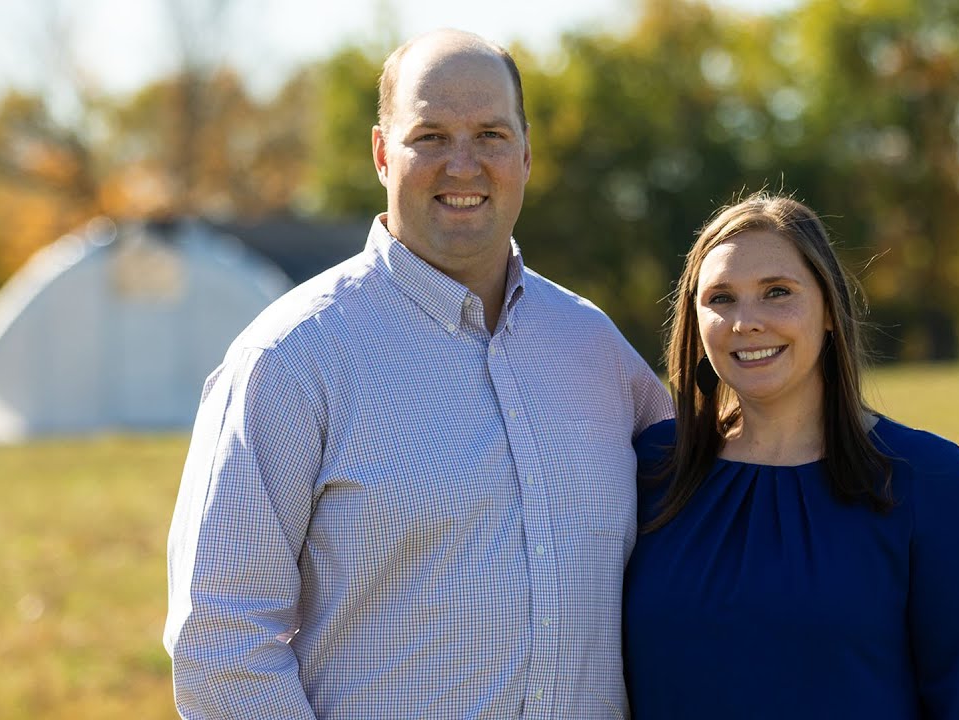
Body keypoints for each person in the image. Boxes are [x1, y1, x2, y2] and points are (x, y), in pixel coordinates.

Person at [164, 29, 672, 719]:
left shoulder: (596, 350)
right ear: (382, 153)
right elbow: (221, 645)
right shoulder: (290, 359)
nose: (463, 165)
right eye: (430, 136)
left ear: (526, 153)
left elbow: (718, 501)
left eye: (490, 135)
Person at [622, 193, 959, 719]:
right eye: (721, 298)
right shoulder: (652, 466)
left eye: (777, 292)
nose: (746, 322)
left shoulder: (926, 479)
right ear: (695, 319)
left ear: (830, 309)